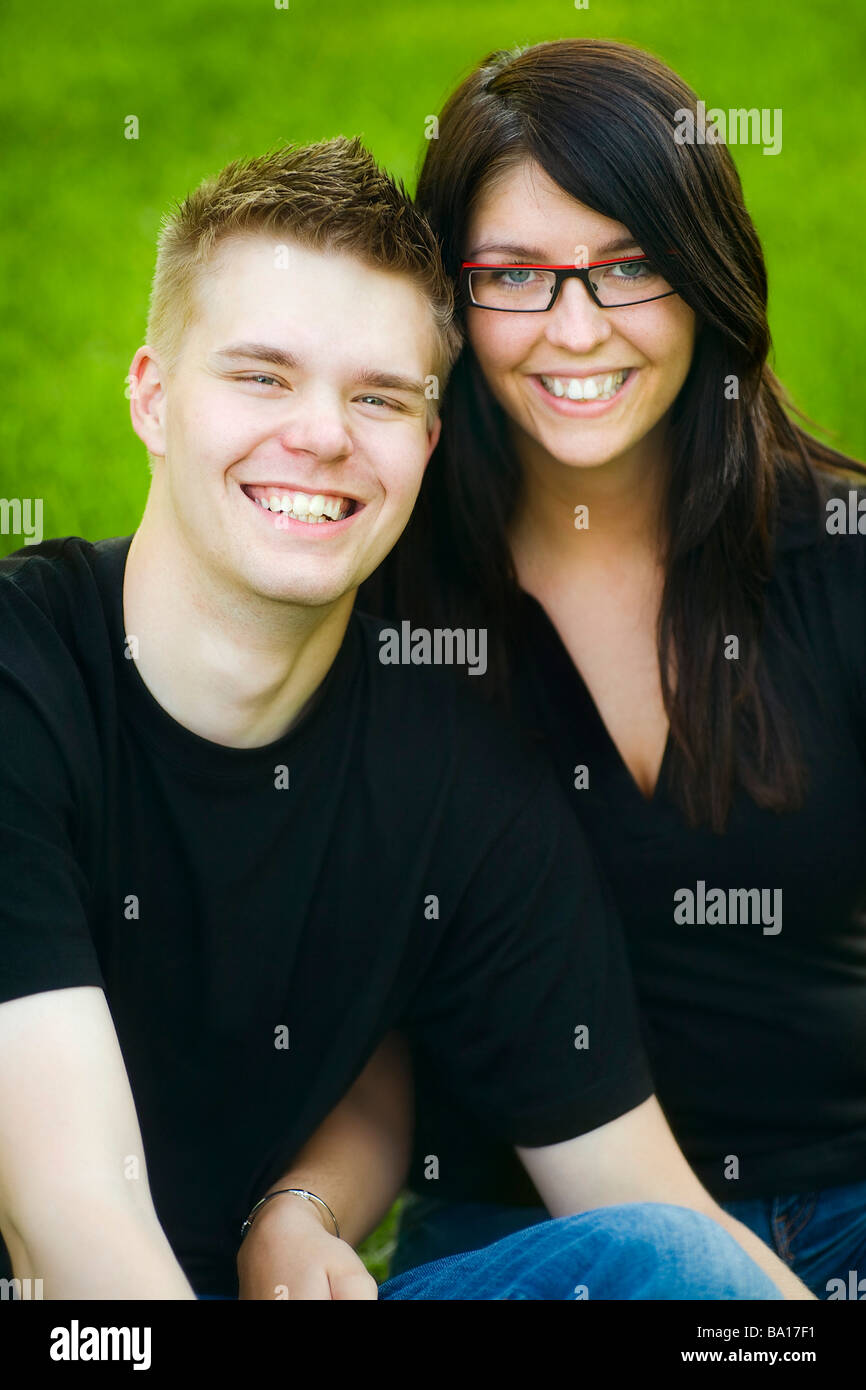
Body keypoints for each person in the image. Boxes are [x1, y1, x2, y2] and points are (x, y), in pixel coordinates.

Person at [0, 136, 809, 1302]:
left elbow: (645, 1199)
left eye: (376, 396)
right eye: (262, 376)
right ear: (153, 396)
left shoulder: (458, 764)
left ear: (425, 445)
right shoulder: (27, 682)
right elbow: (71, 1218)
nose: (323, 435)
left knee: (666, 1264)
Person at [357, 38, 866, 1299]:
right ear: (449, 304)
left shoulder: (839, 557)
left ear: (704, 276)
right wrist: (303, 1212)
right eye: (514, 276)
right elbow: (351, 999)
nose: (574, 329)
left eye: (628, 266)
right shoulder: (384, 597)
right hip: (537, 1241)